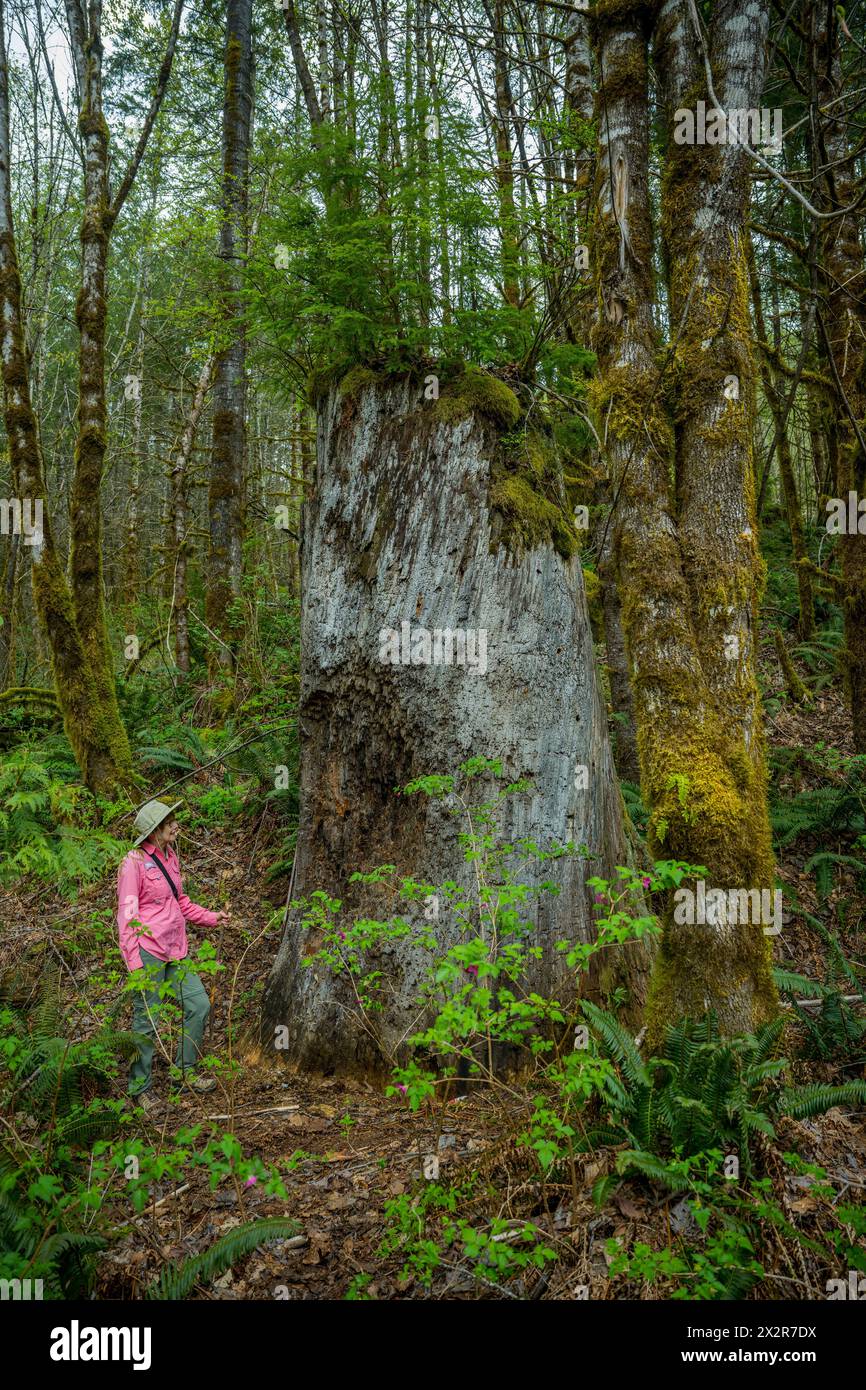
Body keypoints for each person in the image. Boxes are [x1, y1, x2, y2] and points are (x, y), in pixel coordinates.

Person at [117, 799, 230, 1102]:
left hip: (176, 949)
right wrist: (134, 962)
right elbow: (126, 916)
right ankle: (140, 1089)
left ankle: (183, 1073)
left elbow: (181, 902)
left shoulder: (171, 857)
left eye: (174, 818)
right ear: (154, 831)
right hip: (148, 952)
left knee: (199, 1005)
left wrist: (211, 917)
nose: (175, 824)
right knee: (147, 1021)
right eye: (169, 821)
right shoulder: (133, 862)